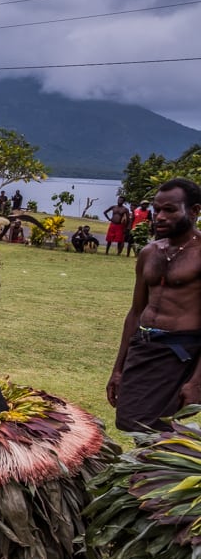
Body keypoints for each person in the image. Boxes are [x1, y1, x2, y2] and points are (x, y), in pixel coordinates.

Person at [107, 178, 201, 433]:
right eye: (157, 210)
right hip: (143, 347)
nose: (159, 216)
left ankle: (151, 472)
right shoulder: (150, 252)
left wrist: (196, 381)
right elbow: (136, 311)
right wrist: (118, 369)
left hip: (180, 352)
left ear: (194, 211)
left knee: (159, 428)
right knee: (130, 421)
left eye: (169, 210)